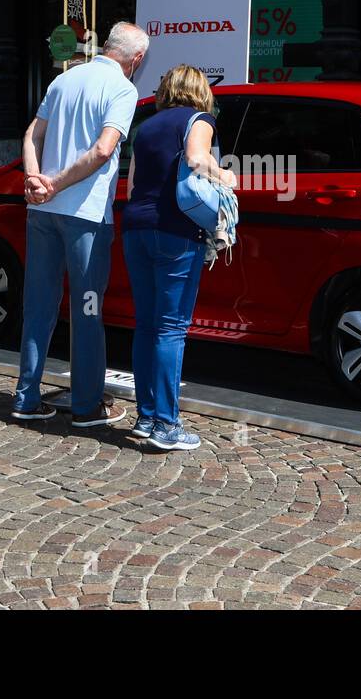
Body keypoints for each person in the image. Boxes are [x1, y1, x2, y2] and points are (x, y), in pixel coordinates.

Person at [11, 21, 145, 427]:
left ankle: (26, 397)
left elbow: (33, 133)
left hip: (43, 212)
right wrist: (53, 183)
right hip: (83, 214)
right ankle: (86, 405)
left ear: (106, 47)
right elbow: (104, 149)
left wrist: (35, 179)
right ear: (136, 60)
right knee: (87, 310)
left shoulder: (65, 79)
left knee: (38, 306)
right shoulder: (123, 89)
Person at [121, 65, 237, 450]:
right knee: (171, 327)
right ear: (200, 91)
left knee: (146, 325)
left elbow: (134, 183)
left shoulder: (147, 127)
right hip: (174, 231)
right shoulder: (199, 119)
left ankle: (146, 416)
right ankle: (167, 427)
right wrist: (225, 176)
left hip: (136, 227)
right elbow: (195, 159)